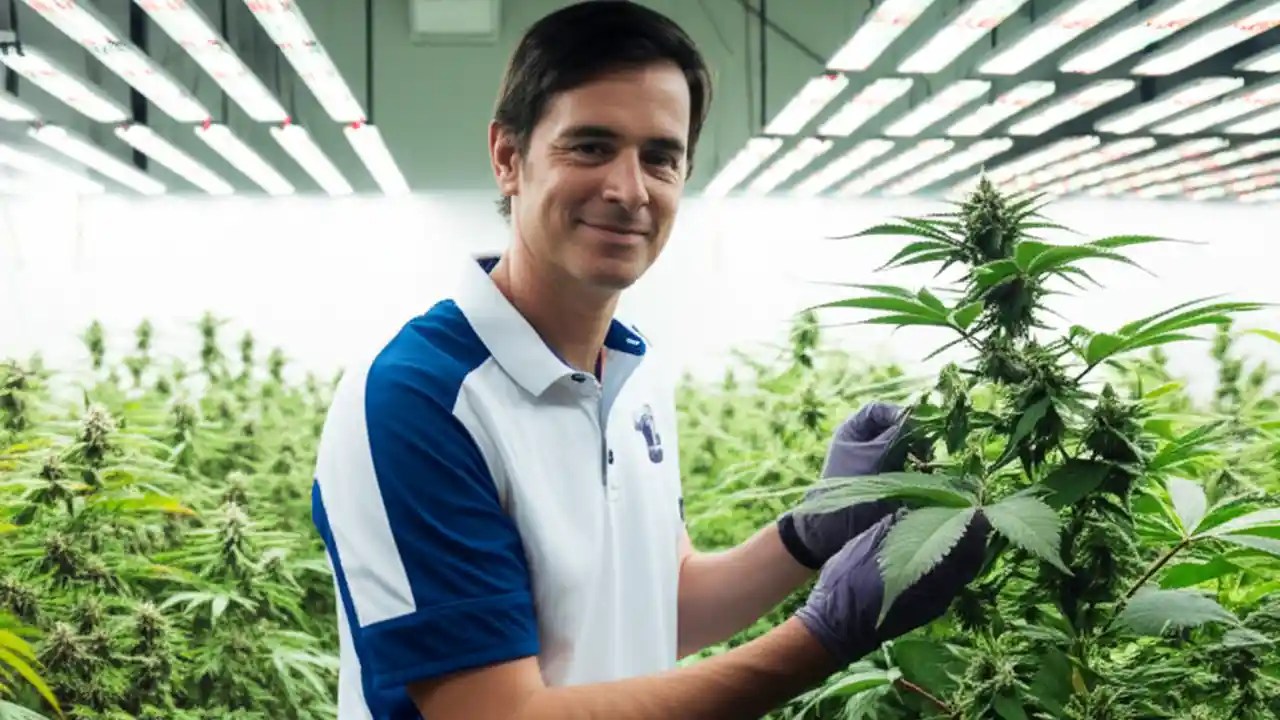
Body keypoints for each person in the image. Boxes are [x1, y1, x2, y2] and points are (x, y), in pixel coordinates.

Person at [309, 3, 988, 719]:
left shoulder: (630, 371)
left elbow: (657, 604)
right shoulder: (419, 402)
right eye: (591, 147)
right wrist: (822, 638)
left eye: (660, 157)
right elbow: (499, 714)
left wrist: (808, 534)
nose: (629, 190)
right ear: (508, 158)